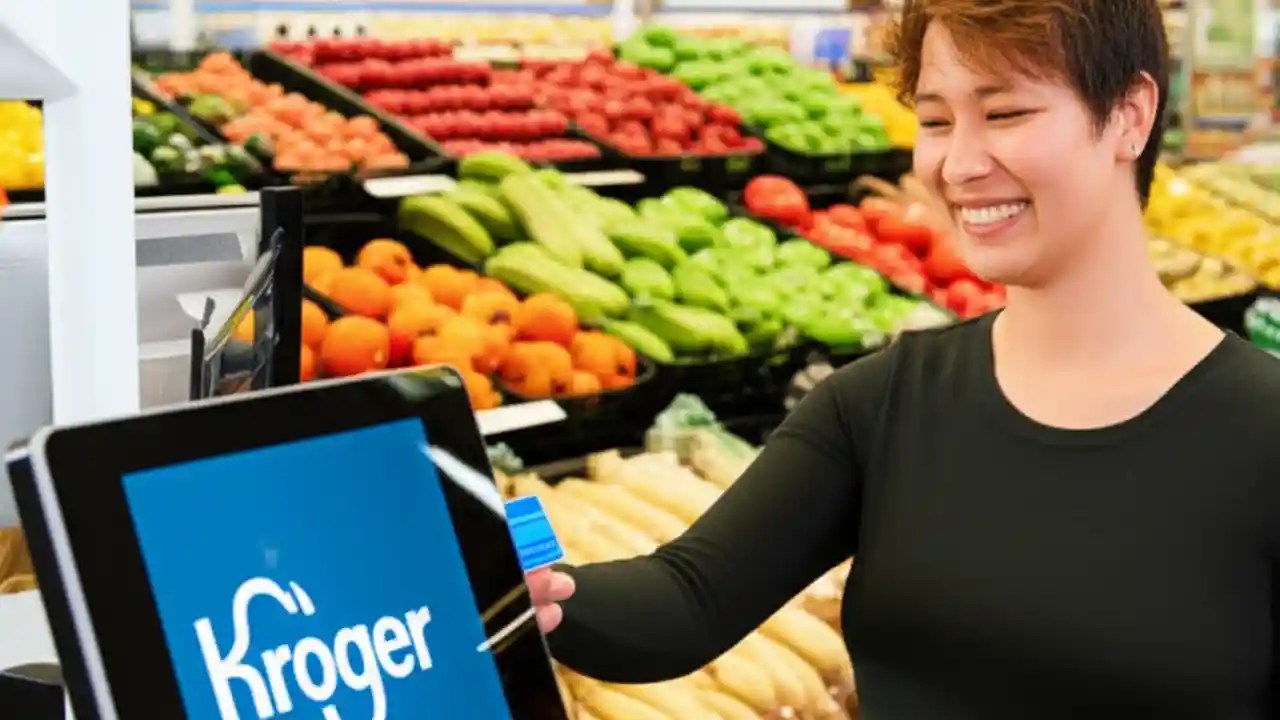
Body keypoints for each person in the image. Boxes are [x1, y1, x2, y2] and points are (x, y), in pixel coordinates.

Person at [528, 1, 1280, 717]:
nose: (958, 163)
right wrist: (514, 581)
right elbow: (684, 601)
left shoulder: (1261, 432)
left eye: (1006, 112)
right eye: (934, 120)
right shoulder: (883, 405)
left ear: (1130, 115)